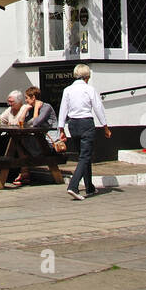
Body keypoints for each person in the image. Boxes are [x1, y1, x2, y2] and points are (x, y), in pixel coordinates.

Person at [58, 64, 110, 200]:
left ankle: (89, 187)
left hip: (73, 124)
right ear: (87, 77)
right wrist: (105, 126)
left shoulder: (67, 90)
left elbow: (63, 109)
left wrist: (61, 128)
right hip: (86, 123)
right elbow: (98, 108)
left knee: (82, 155)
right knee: (85, 156)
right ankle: (73, 186)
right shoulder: (89, 89)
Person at [16, 86, 59, 184]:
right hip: (40, 140)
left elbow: (35, 123)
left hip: (50, 143)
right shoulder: (31, 108)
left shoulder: (46, 107)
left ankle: (24, 172)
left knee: (19, 142)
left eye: (27, 98)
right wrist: (25, 110)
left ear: (33, 97)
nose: (26, 100)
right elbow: (22, 123)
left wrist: (35, 110)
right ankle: (24, 172)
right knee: (17, 141)